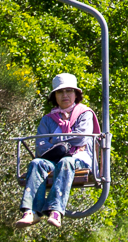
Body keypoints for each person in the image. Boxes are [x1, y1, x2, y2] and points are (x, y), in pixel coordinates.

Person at [15, 73, 99, 230]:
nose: (65, 95)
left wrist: (54, 141)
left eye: (69, 91)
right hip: (53, 159)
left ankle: (56, 210)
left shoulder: (84, 114)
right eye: (60, 92)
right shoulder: (48, 119)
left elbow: (80, 139)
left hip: (78, 159)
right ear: (55, 96)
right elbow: (41, 146)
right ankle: (32, 211)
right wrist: (64, 142)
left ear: (75, 94)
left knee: (66, 161)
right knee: (36, 163)